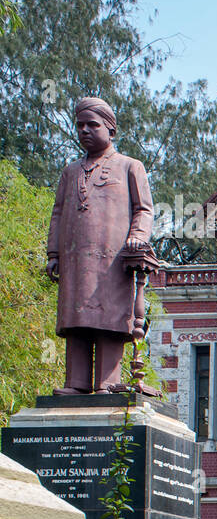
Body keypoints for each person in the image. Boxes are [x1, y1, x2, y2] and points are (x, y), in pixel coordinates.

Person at [45, 96, 155, 394]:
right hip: (75, 261)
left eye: (92, 125)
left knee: (110, 318)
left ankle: (108, 382)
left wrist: (138, 236)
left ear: (110, 130)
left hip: (113, 261)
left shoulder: (130, 166)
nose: (84, 130)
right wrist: (54, 253)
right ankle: (77, 383)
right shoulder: (70, 172)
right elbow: (57, 212)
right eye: (79, 125)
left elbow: (144, 209)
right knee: (77, 319)